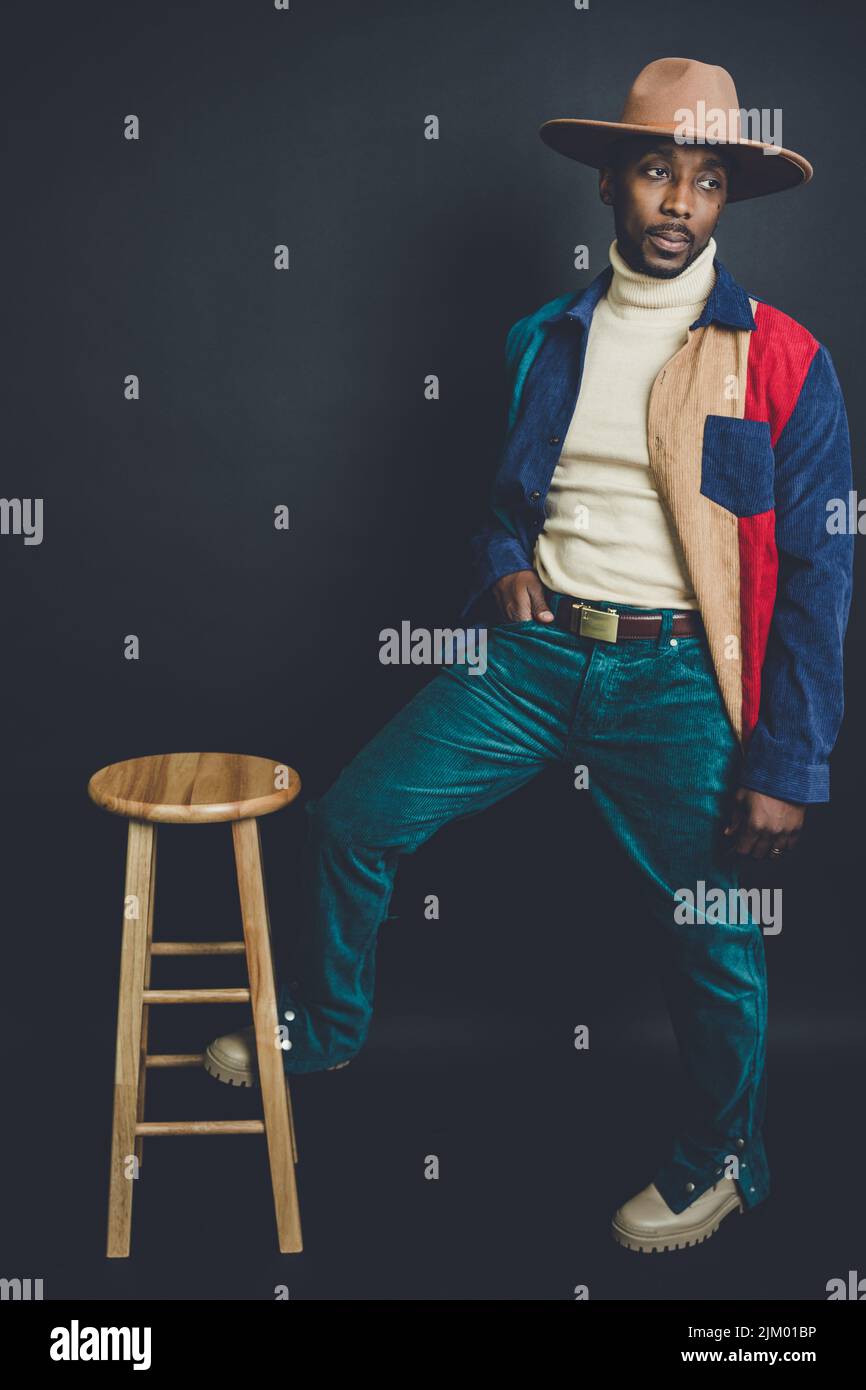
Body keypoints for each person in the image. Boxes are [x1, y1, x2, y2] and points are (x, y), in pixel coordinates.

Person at [204, 57, 854, 1252]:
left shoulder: (784, 362)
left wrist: (787, 760)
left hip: (678, 686)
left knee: (709, 930)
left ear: (725, 203)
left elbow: (818, 576)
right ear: (609, 183)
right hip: (534, 655)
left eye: (705, 182)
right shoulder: (539, 340)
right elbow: (505, 501)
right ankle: (326, 1027)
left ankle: (725, 1155)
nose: (676, 203)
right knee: (352, 818)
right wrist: (501, 561)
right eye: (655, 171)